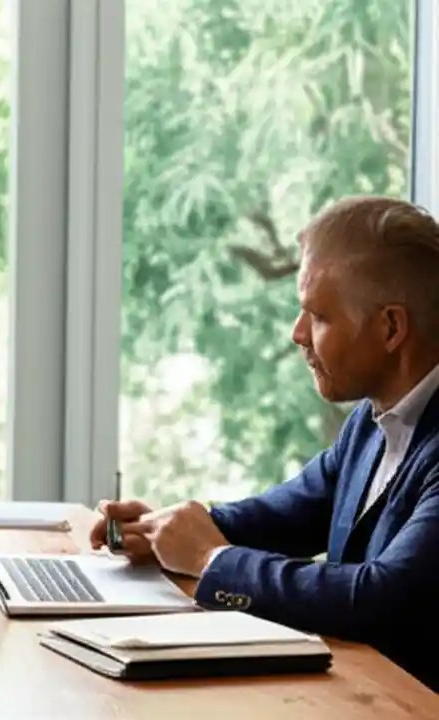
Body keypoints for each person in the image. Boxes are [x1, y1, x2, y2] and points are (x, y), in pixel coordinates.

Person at [92, 196, 439, 690]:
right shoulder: (372, 420)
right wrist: (162, 531)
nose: (297, 333)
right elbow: (283, 517)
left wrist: (209, 560)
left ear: (390, 328)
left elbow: (380, 599)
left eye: (318, 316)